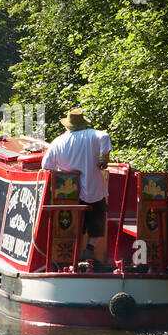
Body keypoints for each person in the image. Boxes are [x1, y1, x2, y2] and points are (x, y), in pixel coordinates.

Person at [41, 109, 112, 266]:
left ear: (68, 125)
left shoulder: (58, 142)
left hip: (67, 192)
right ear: (83, 123)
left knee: (70, 224)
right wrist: (104, 159)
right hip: (94, 189)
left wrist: (64, 173)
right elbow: (105, 136)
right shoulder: (93, 134)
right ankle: (89, 249)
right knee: (97, 223)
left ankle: (72, 255)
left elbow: (46, 166)